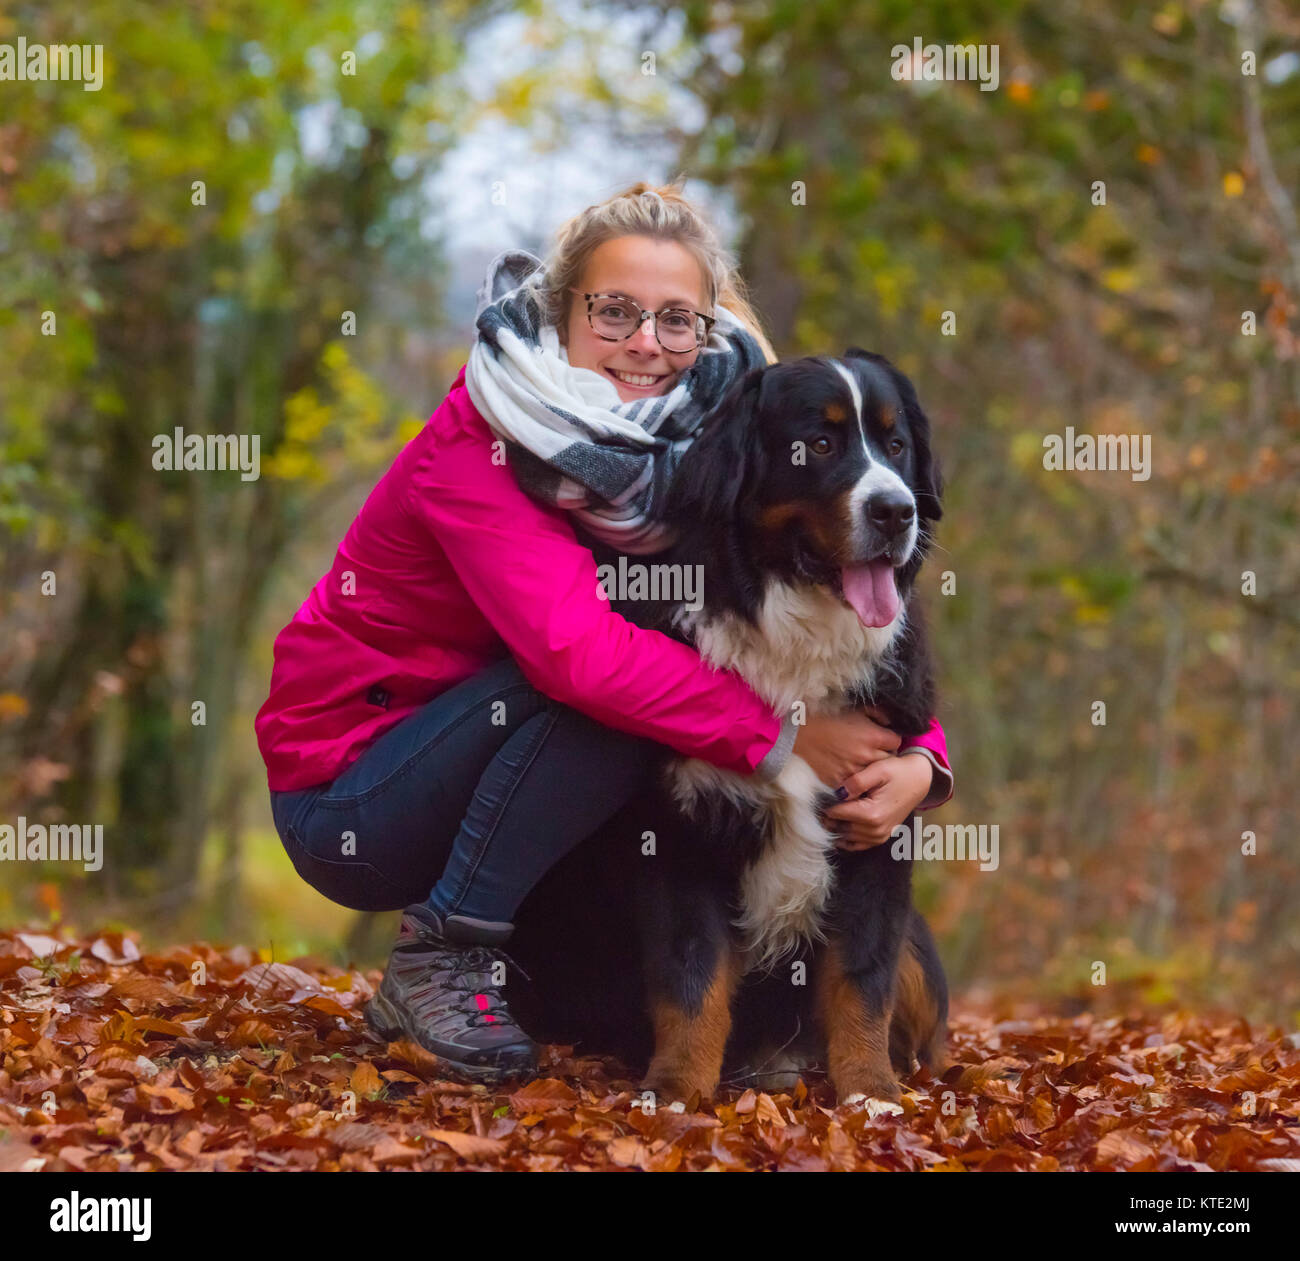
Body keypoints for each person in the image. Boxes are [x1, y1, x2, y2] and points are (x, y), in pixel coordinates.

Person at [254, 181, 953, 1084]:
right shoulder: (484, 440)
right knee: (616, 698)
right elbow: (577, 655)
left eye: (675, 318)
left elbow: (846, 650)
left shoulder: (707, 438)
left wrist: (922, 762)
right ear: (561, 313)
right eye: (614, 311)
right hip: (355, 788)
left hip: (508, 767)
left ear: (708, 330)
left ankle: (639, 1013)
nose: (645, 343)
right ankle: (442, 961)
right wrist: (783, 736)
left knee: (653, 742)